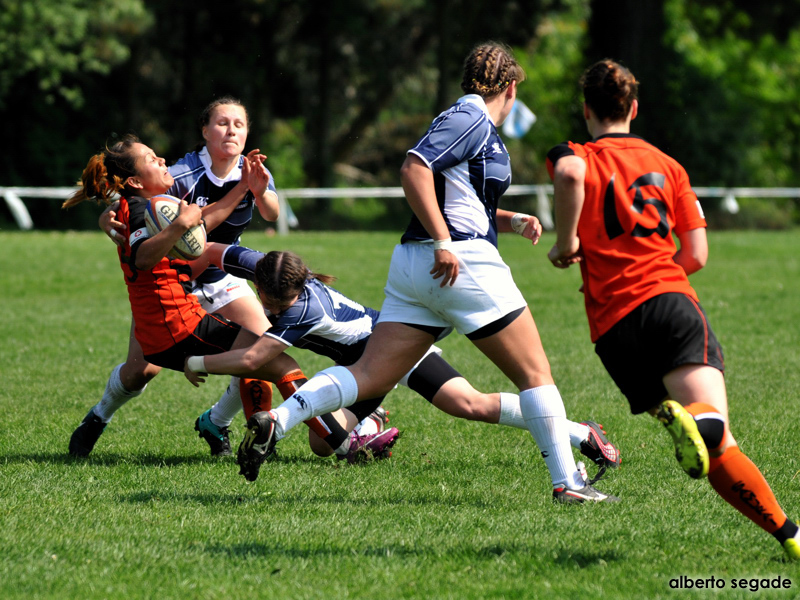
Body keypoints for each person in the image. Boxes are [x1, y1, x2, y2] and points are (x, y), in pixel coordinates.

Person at [195, 42, 617, 503]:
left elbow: (461, 201)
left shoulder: (471, 124)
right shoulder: (471, 118)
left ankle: (279, 420)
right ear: (511, 87)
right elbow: (414, 168)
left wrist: (511, 221)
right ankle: (567, 483)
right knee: (536, 375)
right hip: (457, 263)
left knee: (372, 374)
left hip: (419, 269)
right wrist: (443, 241)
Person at [545, 59, 799, 559]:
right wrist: (662, 274)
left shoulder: (573, 153)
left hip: (613, 326)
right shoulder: (669, 166)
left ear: (586, 110)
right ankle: (700, 424)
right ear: (634, 108)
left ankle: (789, 535)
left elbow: (572, 170)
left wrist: (565, 242)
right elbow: (697, 255)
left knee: (708, 448)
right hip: (668, 301)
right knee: (716, 433)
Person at [64, 97, 373, 459]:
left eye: (239, 124)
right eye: (222, 123)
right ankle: (99, 417)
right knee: (141, 372)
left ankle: (242, 428)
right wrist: (110, 214)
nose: (231, 130)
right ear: (204, 131)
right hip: (175, 302)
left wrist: (249, 188)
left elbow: (224, 218)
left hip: (214, 277)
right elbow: (142, 223)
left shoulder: (251, 170)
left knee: (261, 347)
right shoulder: (176, 178)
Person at [183, 243, 621, 481]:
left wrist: (196, 362)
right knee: (323, 445)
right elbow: (211, 250)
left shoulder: (301, 310)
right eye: (267, 299)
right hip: (363, 370)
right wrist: (176, 250)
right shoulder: (265, 267)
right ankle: (362, 423)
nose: (271, 307)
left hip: (395, 350)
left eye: (278, 303)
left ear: (297, 292)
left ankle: (582, 434)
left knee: (469, 405)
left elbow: (258, 356)